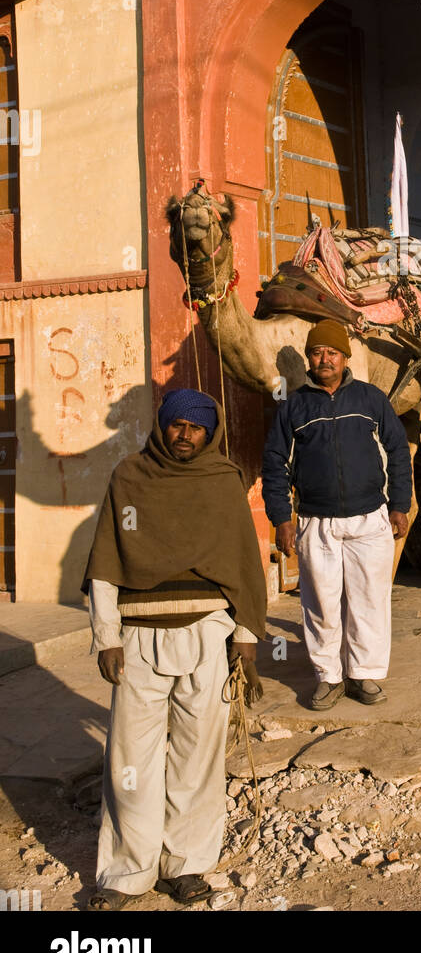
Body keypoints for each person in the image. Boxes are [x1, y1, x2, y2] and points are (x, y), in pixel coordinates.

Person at [82, 388, 267, 912]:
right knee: (130, 760)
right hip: (138, 638)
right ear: (162, 426)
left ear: (210, 432)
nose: (185, 434)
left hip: (208, 635)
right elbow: (105, 561)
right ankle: (126, 872)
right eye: (176, 425)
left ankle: (185, 866)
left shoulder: (221, 480)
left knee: (196, 759)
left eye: (196, 426)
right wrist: (106, 635)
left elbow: (243, 564)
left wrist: (246, 642)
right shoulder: (129, 477)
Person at [261, 320, 411, 711]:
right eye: (317, 352)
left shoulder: (370, 399)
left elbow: (398, 449)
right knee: (321, 604)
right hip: (316, 521)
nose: (325, 359)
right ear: (309, 359)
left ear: (345, 357)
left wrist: (399, 504)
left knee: (369, 600)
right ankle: (328, 677)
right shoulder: (293, 406)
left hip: (369, 518)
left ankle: (364, 675)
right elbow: (274, 462)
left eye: (332, 352)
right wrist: (282, 518)